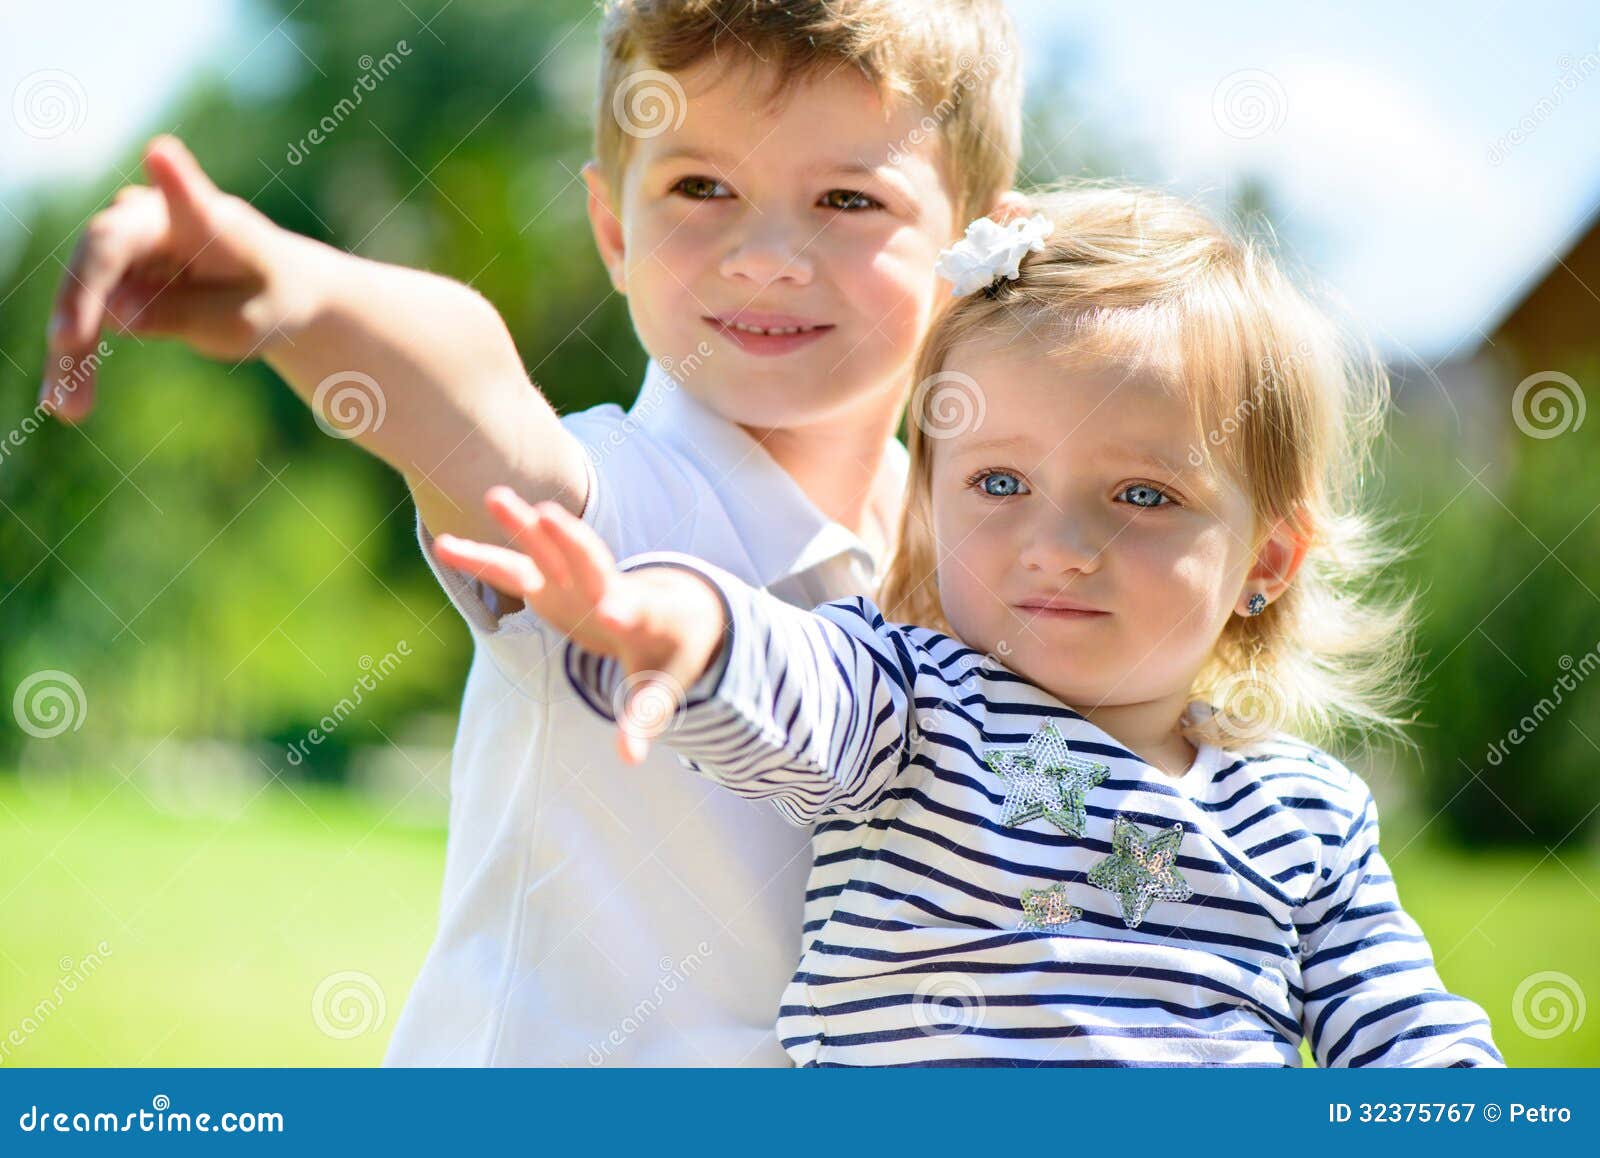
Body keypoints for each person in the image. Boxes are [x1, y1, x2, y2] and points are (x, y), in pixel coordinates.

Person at [42, 0, 1024, 1064]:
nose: (767, 257)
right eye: (702, 187)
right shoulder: (613, 499)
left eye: (847, 198)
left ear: (976, 250)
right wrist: (297, 289)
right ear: (613, 229)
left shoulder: (977, 560)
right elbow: (468, 389)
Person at [433, 186, 1506, 1066]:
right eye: (999, 483)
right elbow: (790, 675)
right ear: (930, 502)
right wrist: (680, 624)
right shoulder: (916, 706)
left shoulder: (1307, 816)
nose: (1058, 546)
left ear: (1265, 561)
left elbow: (1411, 1040)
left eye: (1142, 495)